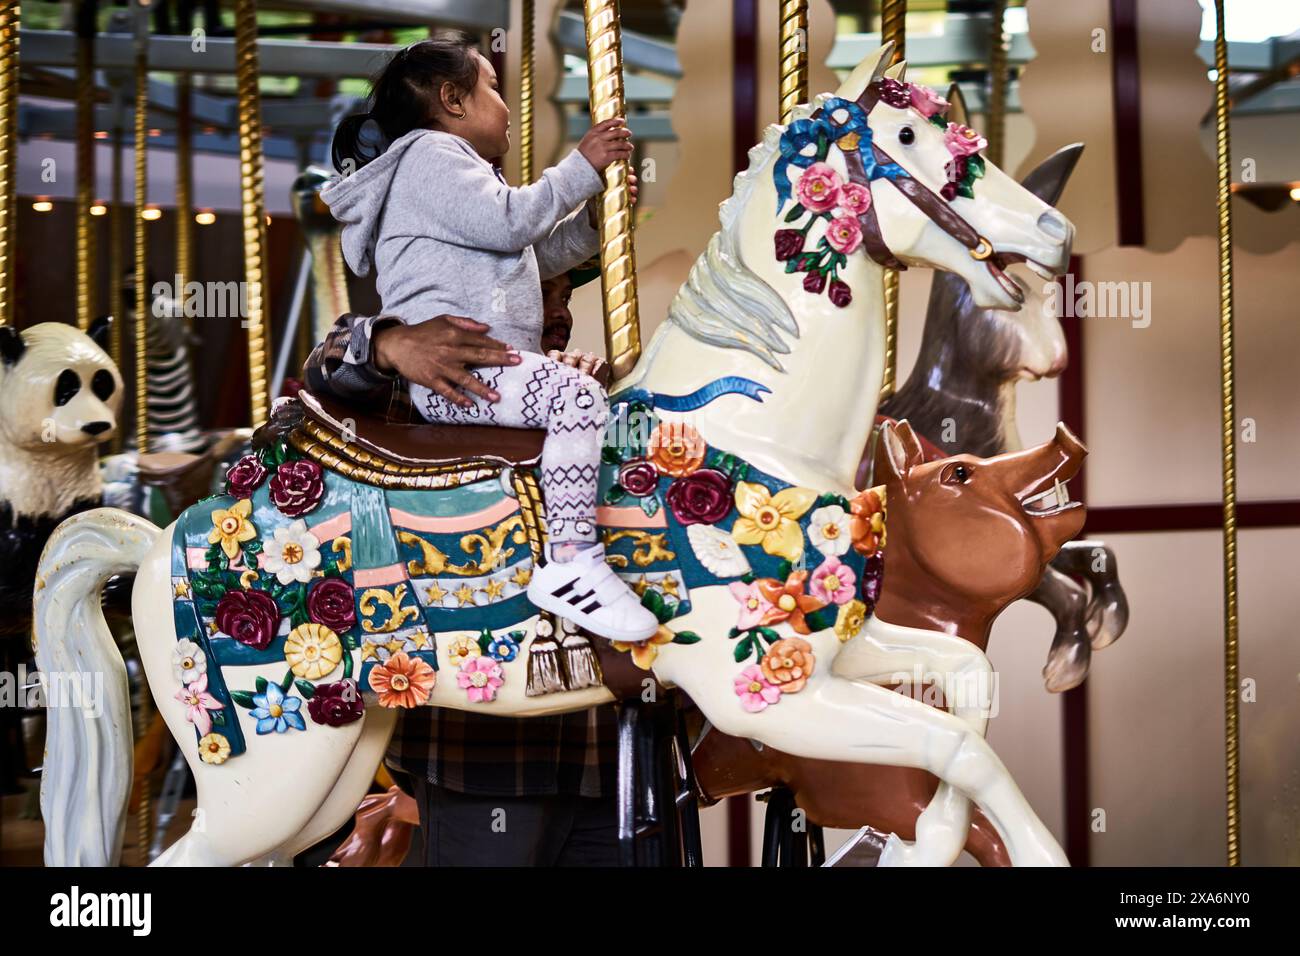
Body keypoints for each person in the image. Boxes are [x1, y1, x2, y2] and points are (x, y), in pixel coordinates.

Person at [321, 32, 657, 644]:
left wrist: (591, 223)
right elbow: (513, 222)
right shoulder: (429, 155)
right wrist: (581, 167)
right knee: (577, 399)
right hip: (462, 374)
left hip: (492, 370)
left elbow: (537, 252)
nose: (504, 107)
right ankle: (573, 562)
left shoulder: (456, 172)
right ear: (452, 98)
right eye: (494, 90)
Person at [304, 269, 621, 867]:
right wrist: (390, 343)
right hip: (486, 758)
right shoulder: (429, 390)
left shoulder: (583, 399)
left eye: (562, 296)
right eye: (537, 290)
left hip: (607, 752)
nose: (555, 311)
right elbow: (329, 375)